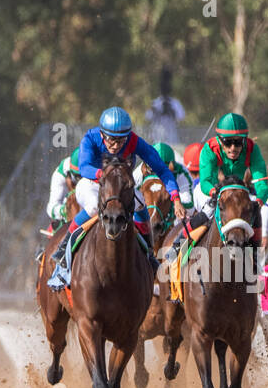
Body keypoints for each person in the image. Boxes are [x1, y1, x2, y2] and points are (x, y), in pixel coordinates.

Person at [46, 106, 177, 291]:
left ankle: (148, 253)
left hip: (119, 186)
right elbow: (84, 167)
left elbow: (162, 168)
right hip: (93, 182)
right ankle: (64, 245)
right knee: (92, 208)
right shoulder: (90, 138)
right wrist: (104, 174)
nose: (116, 145)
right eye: (112, 140)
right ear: (102, 134)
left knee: (142, 207)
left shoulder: (134, 141)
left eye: (121, 140)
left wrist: (175, 195)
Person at [168, 113, 267, 259]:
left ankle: (255, 256)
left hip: (238, 191)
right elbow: (205, 182)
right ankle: (179, 243)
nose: (233, 148)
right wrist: (214, 192)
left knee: (255, 212)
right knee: (209, 210)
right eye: (228, 142)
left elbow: (261, 182)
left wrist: (259, 199)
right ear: (220, 140)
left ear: (245, 141)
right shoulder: (209, 149)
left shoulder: (253, 149)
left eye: (238, 142)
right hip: (211, 189)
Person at [144, 66, 185, 146]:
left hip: (172, 140)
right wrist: (156, 111)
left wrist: (171, 111)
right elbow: (147, 117)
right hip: (157, 139)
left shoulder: (175, 103)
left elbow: (181, 117)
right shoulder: (155, 103)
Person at [45, 150, 82, 232]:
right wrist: (64, 211)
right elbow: (51, 208)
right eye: (79, 177)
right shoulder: (60, 175)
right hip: (66, 218)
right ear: (70, 171)